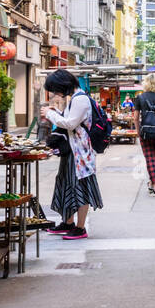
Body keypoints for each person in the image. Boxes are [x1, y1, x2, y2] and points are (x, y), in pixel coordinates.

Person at [42, 69, 103, 239]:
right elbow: (72, 122)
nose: (56, 93)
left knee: (79, 188)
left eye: (55, 89)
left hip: (81, 154)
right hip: (72, 152)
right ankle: (67, 222)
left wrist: (50, 114)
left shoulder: (81, 99)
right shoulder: (75, 99)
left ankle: (80, 228)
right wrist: (57, 112)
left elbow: (70, 124)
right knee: (65, 184)